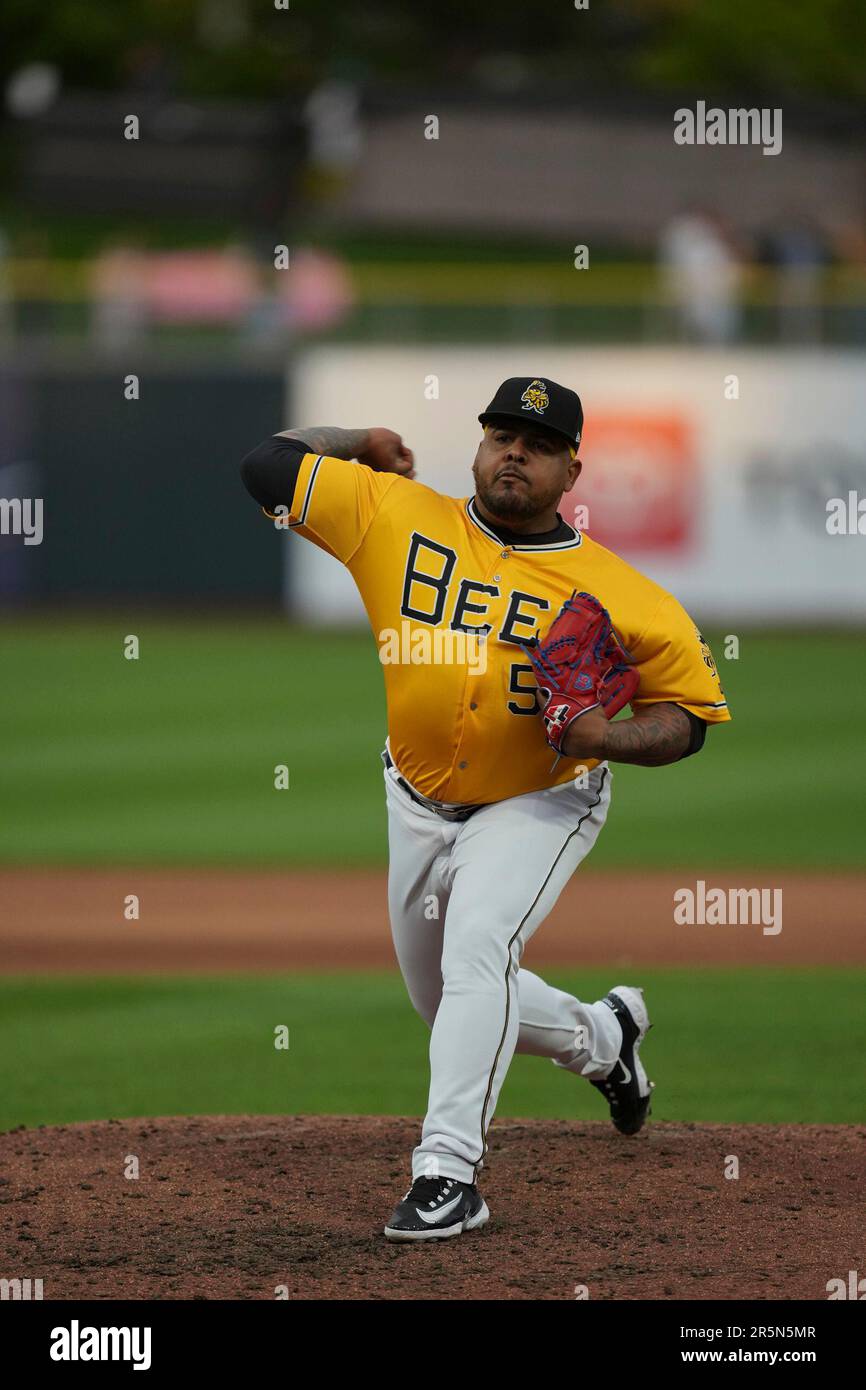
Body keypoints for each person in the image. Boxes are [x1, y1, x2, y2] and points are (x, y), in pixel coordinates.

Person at [240, 376, 730, 1242]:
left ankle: (447, 1173)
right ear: (477, 447)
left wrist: (605, 741)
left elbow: (690, 720)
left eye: (538, 444)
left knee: (477, 952)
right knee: (448, 1000)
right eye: (502, 434)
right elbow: (266, 465)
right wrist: (358, 439)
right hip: (415, 795)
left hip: (542, 799)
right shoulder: (394, 514)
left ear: (571, 470)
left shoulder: (626, 596)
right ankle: (603, 1040)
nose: (515, 452)